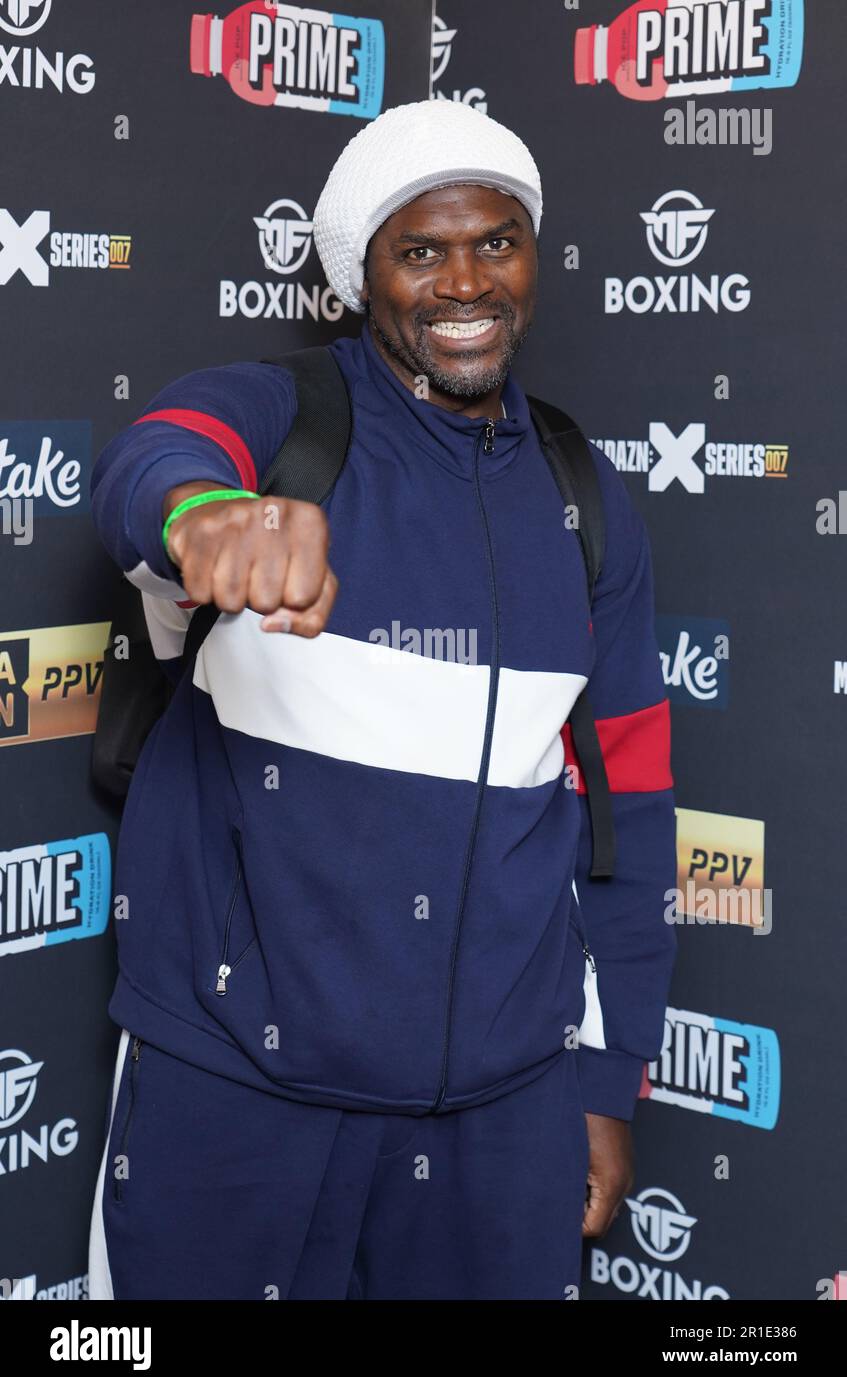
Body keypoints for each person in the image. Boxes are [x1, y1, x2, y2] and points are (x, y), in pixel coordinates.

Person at [87, 99, 677, 1301]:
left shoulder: (586, 494)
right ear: (363, 275)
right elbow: (154, 457)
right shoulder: (279, 417)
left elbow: (626, 816)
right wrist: (210, 516)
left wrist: (604, 1086)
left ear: (531, 256)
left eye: (496, 242)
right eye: (420, 251)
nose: (465, 280)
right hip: (238, 1097)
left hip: (502, 1114)